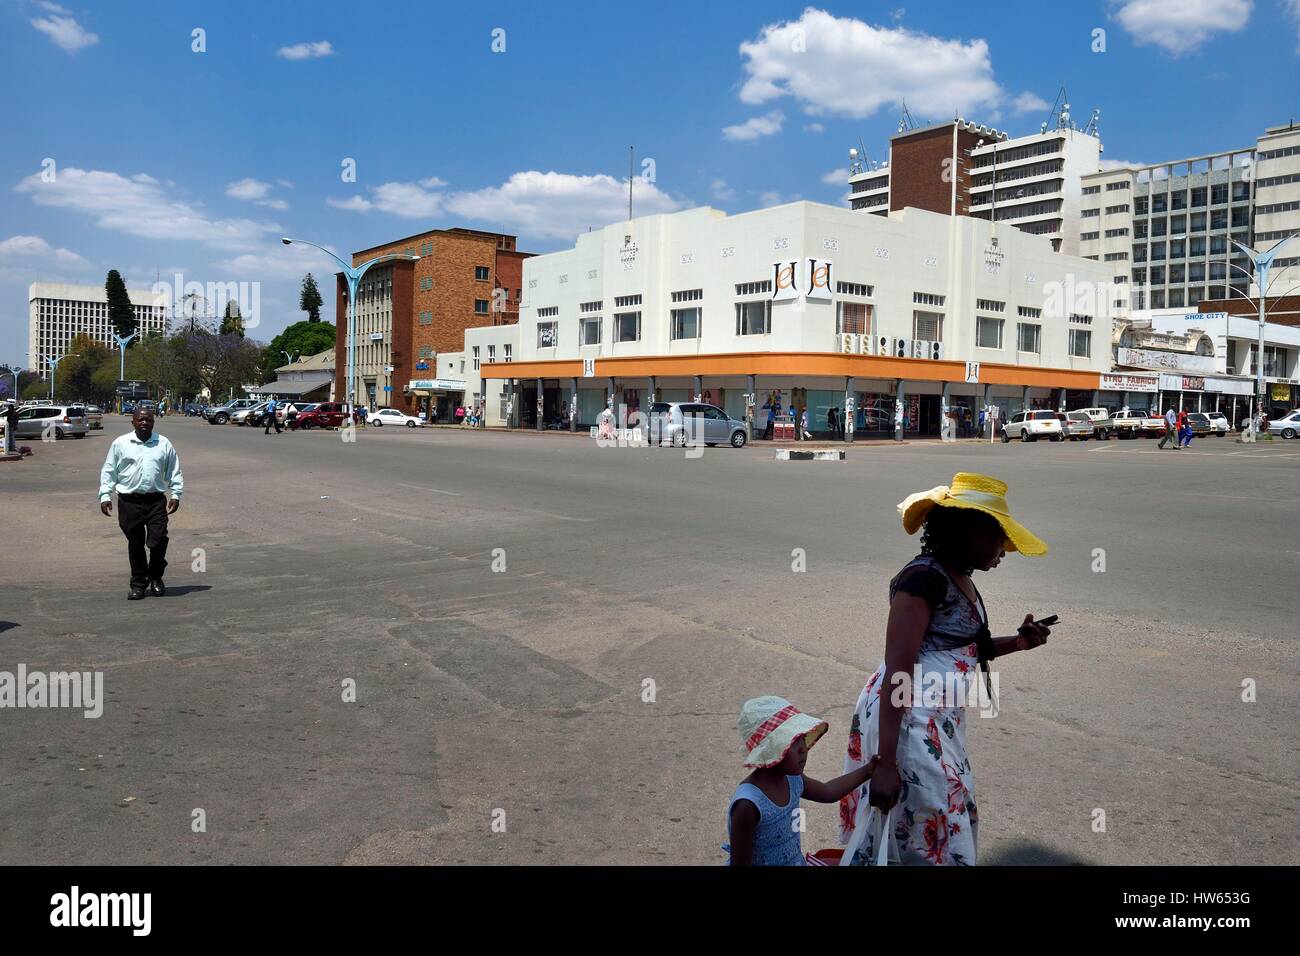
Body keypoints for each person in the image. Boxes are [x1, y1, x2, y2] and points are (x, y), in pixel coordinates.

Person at [837, 472, 1052, 865]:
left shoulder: (960, 577)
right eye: (996, 537)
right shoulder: (921, 580)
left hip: (938, 723)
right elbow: (897, 672)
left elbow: (968, 646)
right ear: (967, 532)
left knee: (937, 818)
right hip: (908, 725)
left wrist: (1020, 641)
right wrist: (885, 764)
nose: (1003, 549)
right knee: (925, 825)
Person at [726, 696, 881, 866]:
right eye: (792, 742)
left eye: (802, 738)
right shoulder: (747, 805)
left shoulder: (792, 780)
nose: (803, 749)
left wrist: (868, 770)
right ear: (771, 750)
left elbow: (828, 792)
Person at [98, 408, 183, 601]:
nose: (144, 423)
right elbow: (109, 471)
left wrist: (176, 494)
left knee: (158, 540)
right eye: (140, 420)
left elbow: (174, 471)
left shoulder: (163, 443)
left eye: (148, 420)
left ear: (153, 422)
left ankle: (156, 577)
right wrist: (105, 496)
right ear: (133, 422)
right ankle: (138, 584)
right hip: (129, 502)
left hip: (155, 500)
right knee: (135, 544)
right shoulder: (120, 443)